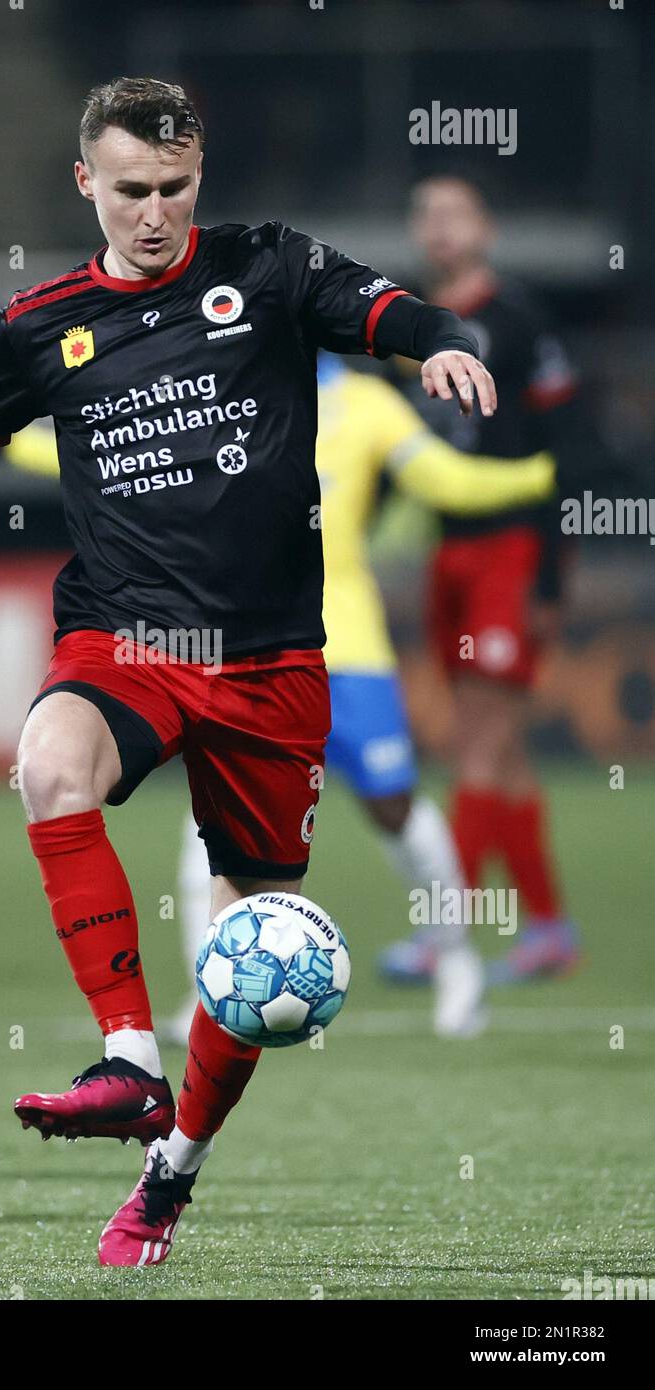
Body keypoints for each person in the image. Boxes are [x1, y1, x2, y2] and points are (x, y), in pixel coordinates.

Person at [0, 78, 496, 1267]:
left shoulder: (268, 269)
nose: (156, 213)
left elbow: (391, 311)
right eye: (131, 191)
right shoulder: (41, 325)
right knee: (47, 760)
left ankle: (170, 1172)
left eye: (175, 189)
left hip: (273, 661)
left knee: (245, 963)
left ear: (199, 179)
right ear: (86, 183)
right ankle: (126, 1055)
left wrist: (439, 347)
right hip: (128, 638)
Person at [8, 357, 555, 1039]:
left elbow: (441, 477)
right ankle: (208, 989)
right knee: (209, 818)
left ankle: (455, 962)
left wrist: (542, 474)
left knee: (393, 805)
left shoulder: (365, 402)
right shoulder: (210, 389)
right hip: (244, 646)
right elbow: (105, 461)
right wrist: (4, 431)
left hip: (347, 644)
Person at [380, 176, 582, 986]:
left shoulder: (520, 320)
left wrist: (553, 569)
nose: (439, 227)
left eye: (455, 213)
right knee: (498, 755)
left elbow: (566, 446)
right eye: (426, 213)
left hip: (510, 551)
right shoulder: (413, 333)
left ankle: (444, 933)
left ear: (487, 228)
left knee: (479, 744)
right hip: (449, 553)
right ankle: (548, 928)